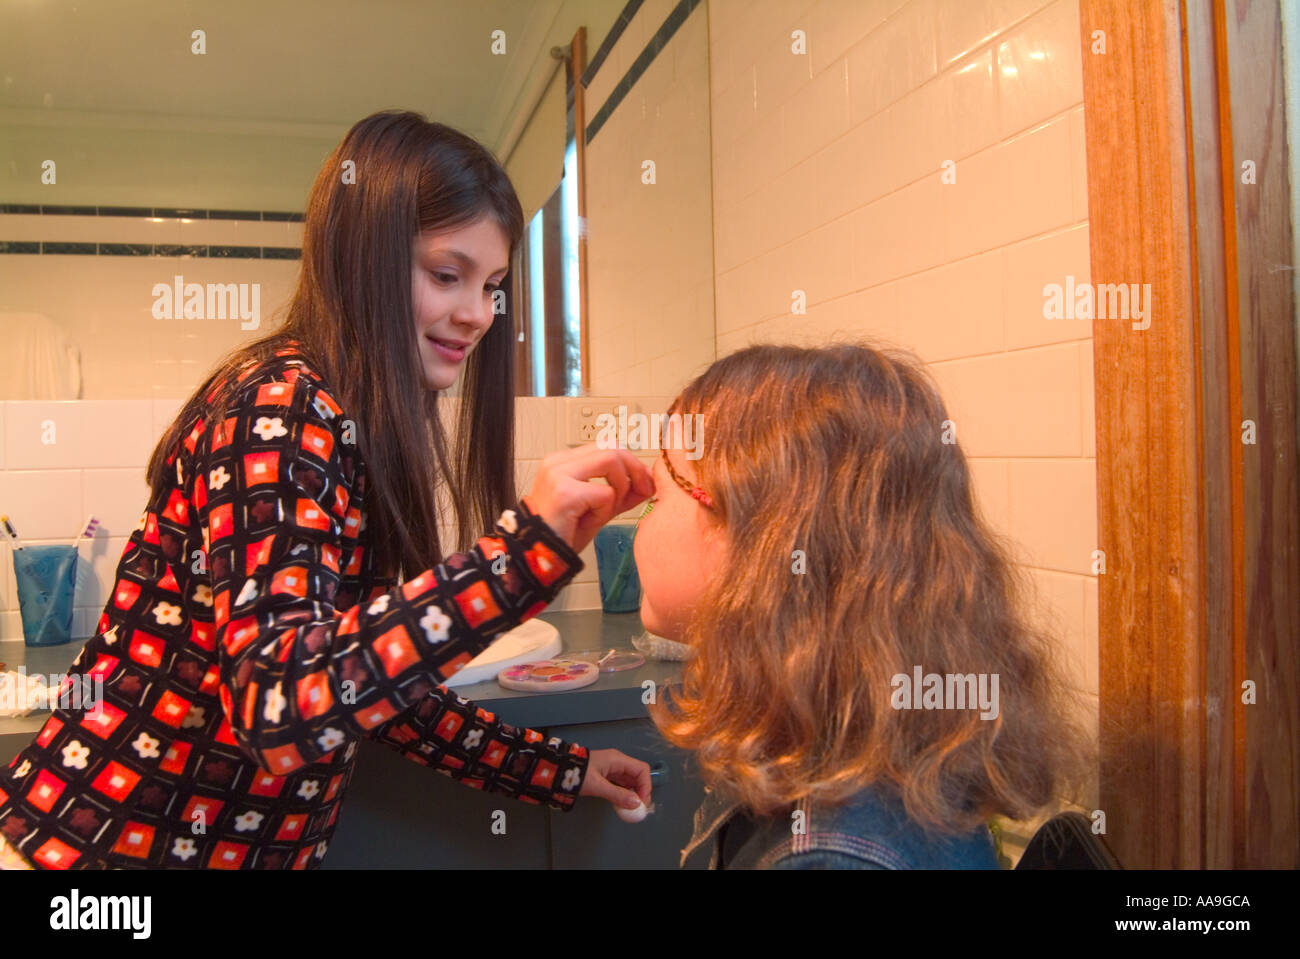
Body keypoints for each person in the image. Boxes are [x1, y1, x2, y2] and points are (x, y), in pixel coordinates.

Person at [0, 110, 653, 870]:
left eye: (493, 286)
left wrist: (555, 768)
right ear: (364, 259)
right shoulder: (281, 404)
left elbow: (367, 689)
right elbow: (280, 704)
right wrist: (517, 558)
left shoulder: (339, 414)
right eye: (447, 274)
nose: (477, 313)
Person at [632, 343, 1093, 869]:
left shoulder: (829, 858)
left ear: (752, 545)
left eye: (655, 499)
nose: (636, 521)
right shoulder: (866, 755)